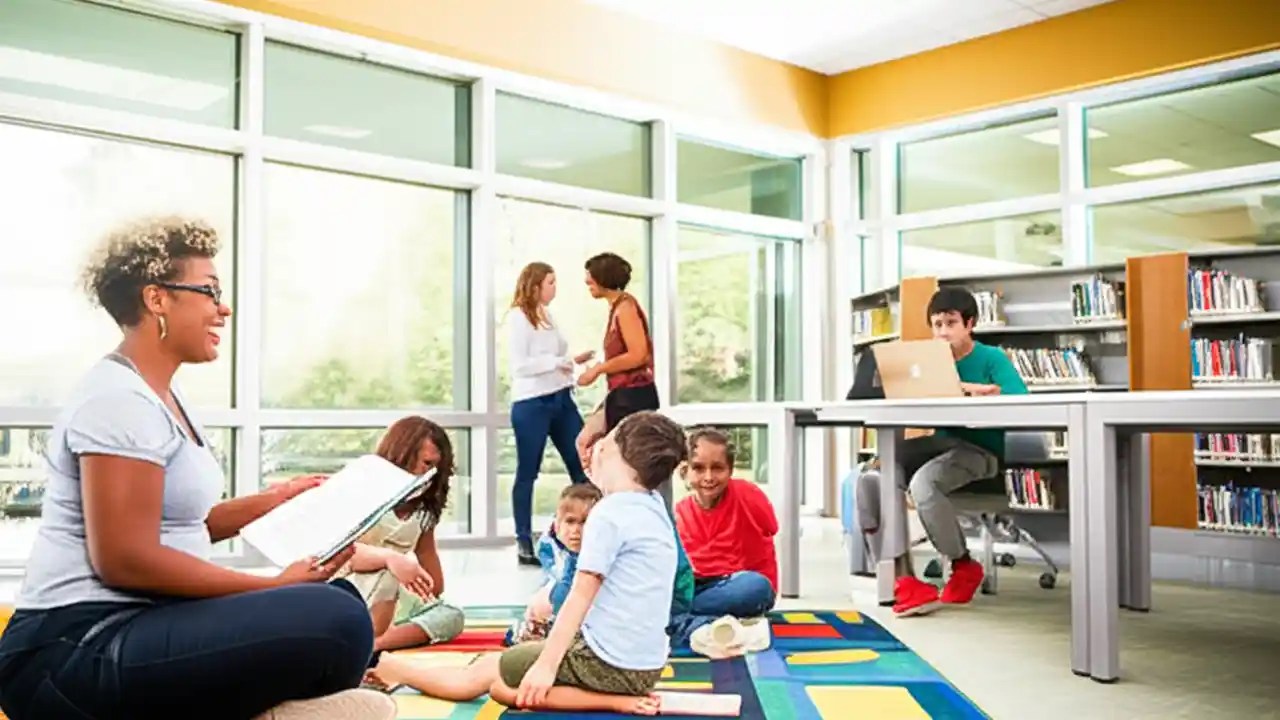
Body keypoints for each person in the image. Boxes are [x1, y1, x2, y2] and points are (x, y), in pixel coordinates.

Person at [0, 217, 393, 720]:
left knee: (340, 602)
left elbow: (174, 527)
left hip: (135, 626)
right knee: (333, 619)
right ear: (157, 299)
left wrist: (274, 501)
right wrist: (274, 587)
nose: (223, 308)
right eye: (209, 291)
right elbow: (124, 559)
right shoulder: (118, 400)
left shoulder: (161, 393)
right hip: (73, 651)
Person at [372, 412, 688, 716]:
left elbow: (579, 597)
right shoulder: (655, 507)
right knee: (505, 678)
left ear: (620, 455)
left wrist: (546, 666)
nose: (598, 447)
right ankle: (608, 696)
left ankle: (393, 668)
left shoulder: (608, 514)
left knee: (486, 678)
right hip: (645, 669)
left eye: (607, 442)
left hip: (602, 663)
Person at [856, 286, 1028, 617]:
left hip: (982, 450)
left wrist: (982, 393)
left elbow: (1022, 400)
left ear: (969, 324)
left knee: (922, 484)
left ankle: (963, 565)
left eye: (950, 323)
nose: (943, 332)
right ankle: (904, 580)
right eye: (937, 325)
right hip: (943, 445)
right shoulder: (929, 363)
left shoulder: (991, 358)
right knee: (873, 476)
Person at [341, 416, 465, 654]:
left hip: (395, 594)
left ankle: (374, 645)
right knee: (388, 576)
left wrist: (426, 589)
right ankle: (367, 639)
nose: (428, 472)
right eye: (425, 463)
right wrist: (390, 560)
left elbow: (429, 561)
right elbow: (345, 555)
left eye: (435, 467)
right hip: (351, 584)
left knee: (451, 616)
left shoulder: (423, 509)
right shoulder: (362, 493)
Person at [507, 261, 593, 566]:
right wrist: (558, 362)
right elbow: (520, 366)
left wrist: (571, 362)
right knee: (528, 472)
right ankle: (523, 540)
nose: (555, 288)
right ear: (535, 285)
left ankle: (591, 532)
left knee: (584, 463)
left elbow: (556, 359)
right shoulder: (518, 318)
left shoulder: (549, 315)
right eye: (551, 283)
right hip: (532, 404)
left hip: (561, 399)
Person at [669, 428, 778, 648]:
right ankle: (703, 626)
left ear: (730, 470)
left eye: (717, 468)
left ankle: (676, 620)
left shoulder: (747, 493)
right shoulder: (679, 512)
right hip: (698, 587)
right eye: (698, 469)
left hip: (738, 584)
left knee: (756, 586)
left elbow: (771, 527)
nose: (708, 477)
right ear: (685, 472)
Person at [504, 482, 601, 645]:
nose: (576, 530)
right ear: (557, 526)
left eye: (584, 522)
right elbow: (557, 581)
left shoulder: (601, 554)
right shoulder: (548, 547)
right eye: (570, 522)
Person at [577, 252, 658, 436]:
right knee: (589, 441)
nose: (586, 281)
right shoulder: (617, 307)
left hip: (633, 395)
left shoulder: (625, 309)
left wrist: (598, 369)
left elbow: (638, 355)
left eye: (590, 277)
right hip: (623, 394)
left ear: (603, 278)